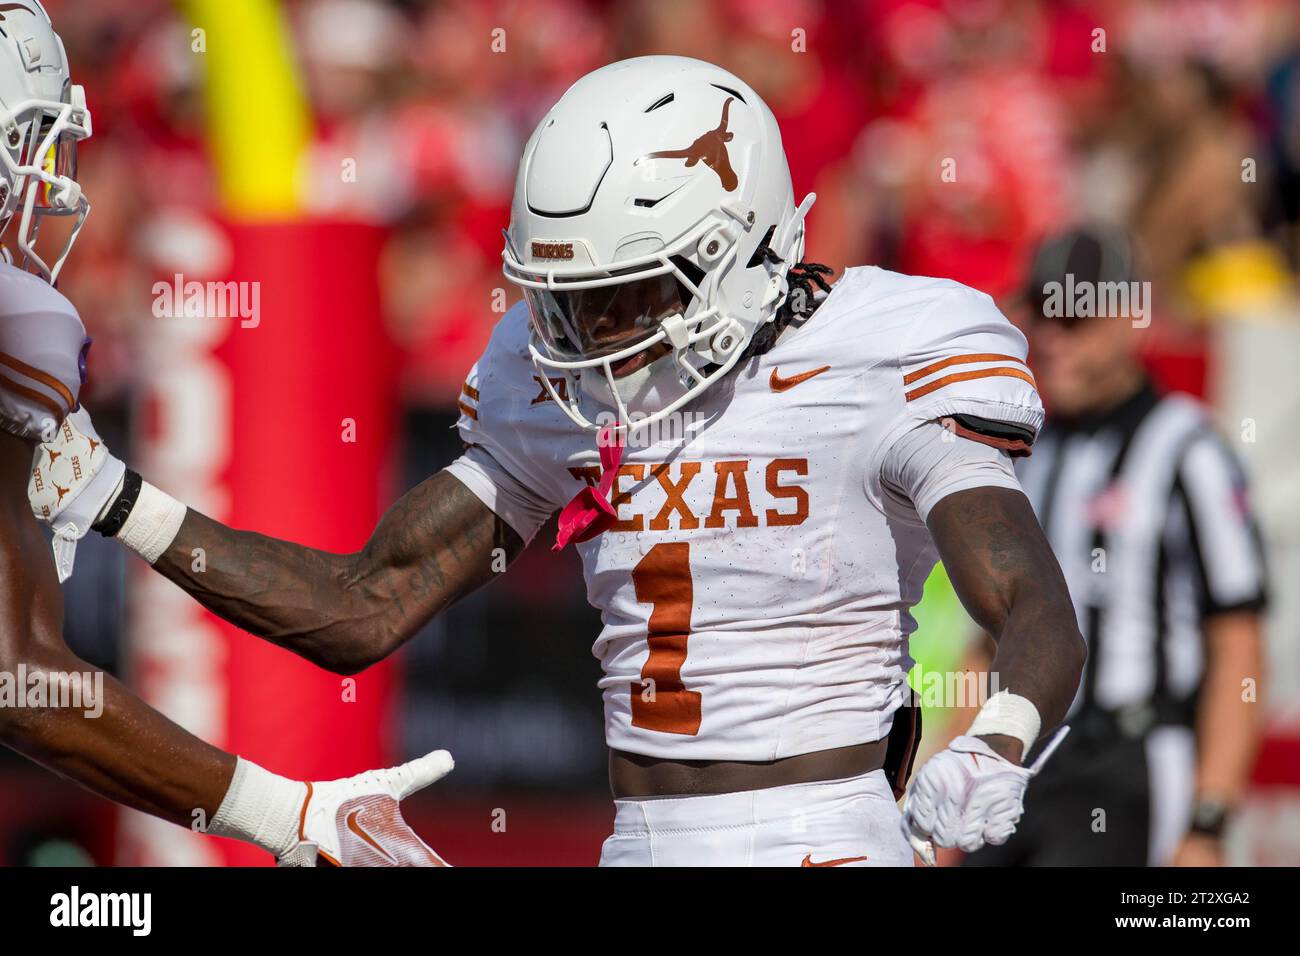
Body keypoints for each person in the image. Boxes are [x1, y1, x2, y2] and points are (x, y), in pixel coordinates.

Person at [35, 55, 1086, 866]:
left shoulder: (883, 348)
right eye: (569, 300)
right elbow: (361, 606)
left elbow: (1031, 599)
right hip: (635, 836)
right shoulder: (569, 386)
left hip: (822, 828)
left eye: (625, 295)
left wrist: (1001, 731)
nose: (589, 334)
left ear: (741, 249)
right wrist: (115, 497)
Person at [0, 0, 451, 868]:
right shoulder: (19, 328)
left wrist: (116, 499)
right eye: (29, 145)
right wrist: (294, 815)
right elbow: (19, 677)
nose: (43, 178)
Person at [963, 225, 1268, 867]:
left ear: (1132, 321)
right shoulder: (1026, 452)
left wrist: (1208, 823)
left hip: (1131, 764)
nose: (1051, 339)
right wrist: (956, 769)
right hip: (1025, 761)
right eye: (1042, 315)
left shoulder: (1187, 448)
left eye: (1075, 319)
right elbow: (989, 638)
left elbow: (1237, 639)